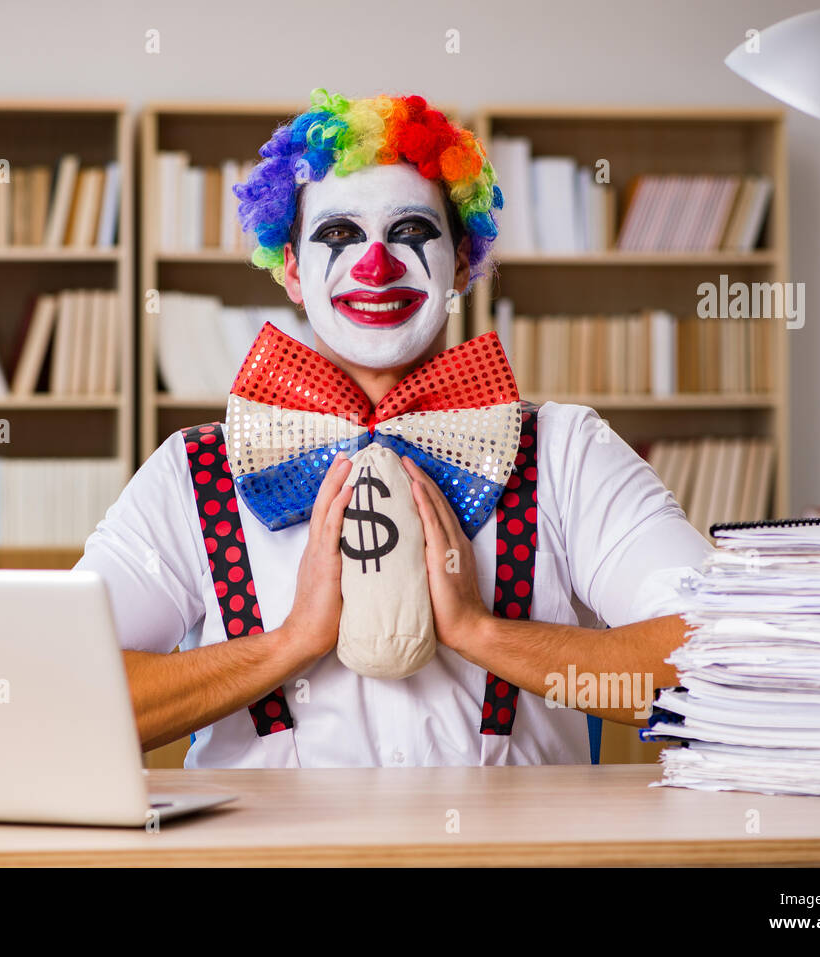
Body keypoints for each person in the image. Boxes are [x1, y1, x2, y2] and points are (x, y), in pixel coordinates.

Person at [74, 88, 713, 768]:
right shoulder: (192, 472)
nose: (375, 266)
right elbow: (61, 693)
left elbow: (717, 663)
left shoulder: (566, 454)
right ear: (290, 269)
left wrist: (483, 632)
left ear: (463, 262)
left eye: (410, 232)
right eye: (338, 235)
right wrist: (286, 644)